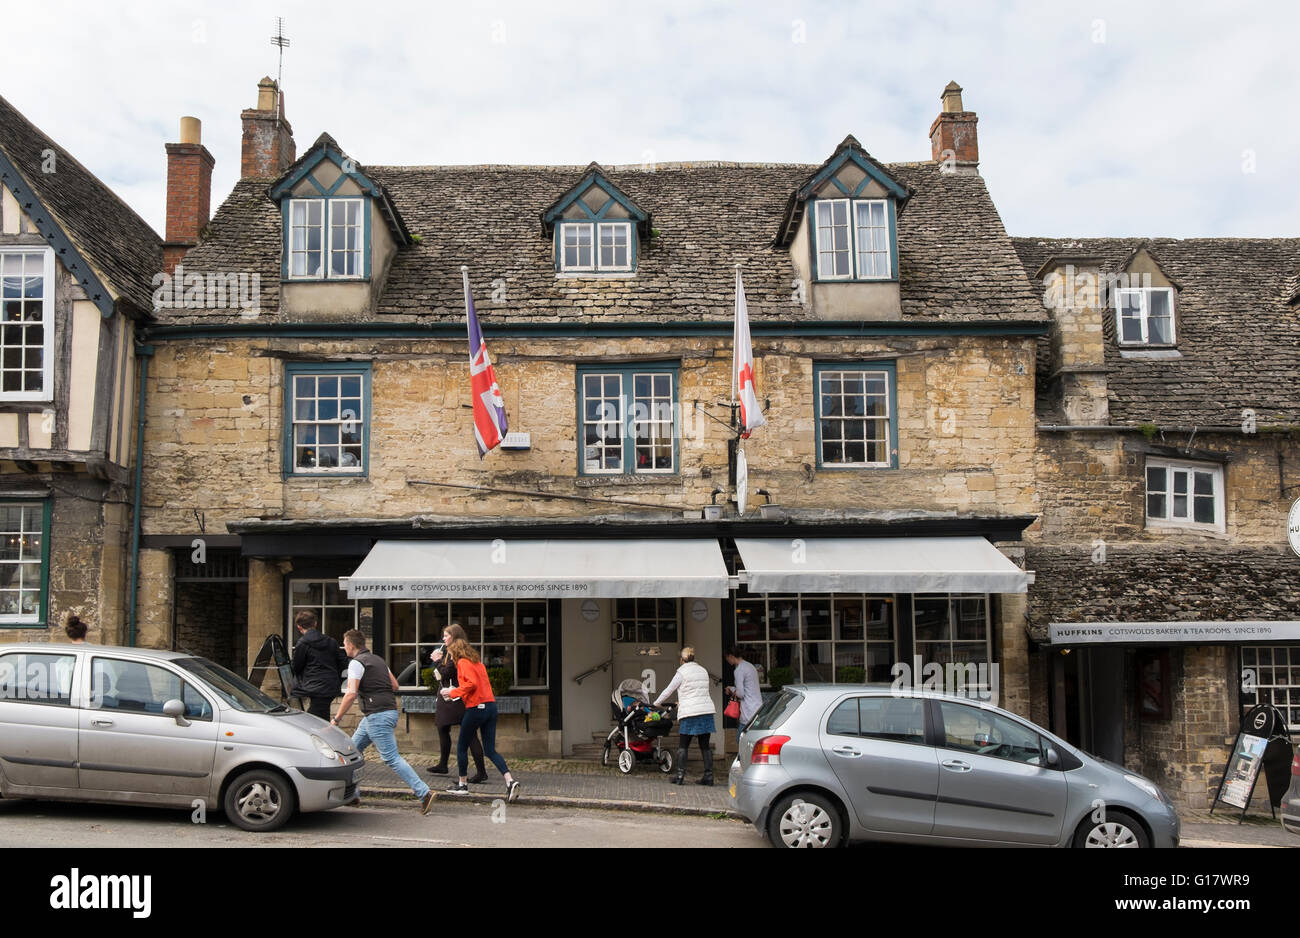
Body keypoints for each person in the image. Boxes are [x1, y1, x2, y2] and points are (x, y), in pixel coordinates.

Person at [332, 629, 434, 814]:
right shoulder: (378, 660)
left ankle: (424, 793)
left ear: (352, 645)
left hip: (377, 715)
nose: (344, 646)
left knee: (391, 758)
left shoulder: (356, 663)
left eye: (345, 643)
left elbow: (351, 693)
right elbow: (395, 685)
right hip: (384, 712)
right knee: (353, 752)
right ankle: (353, 795)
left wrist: (336, 719)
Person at [439, 638, 520, 802]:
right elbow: (476, 684)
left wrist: (452, 693)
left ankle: (462, 785)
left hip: (477, 708)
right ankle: (510, 782)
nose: (451, 658)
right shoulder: (478, 663)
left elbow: (472, 684)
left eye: (451, 654)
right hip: (491, 707)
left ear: (456, 652)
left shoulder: (462, 662)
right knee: (490, 750)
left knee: (462, 746)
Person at [428, 624, 487, 782]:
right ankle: (443, 764)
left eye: (446, 636)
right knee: (442, 726)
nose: (443, 638)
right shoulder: (452, 652)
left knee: (468, 733)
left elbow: (447, 672)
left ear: (454, 637)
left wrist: (437, 661)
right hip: (449, 696)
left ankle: (480, 771)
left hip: (455, 697)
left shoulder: (458, 654)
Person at [654, 647, 716, 786]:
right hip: (706, 710)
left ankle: (680, 776)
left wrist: (656, 703)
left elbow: (668, 690)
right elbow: (698, 691)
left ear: (682, 660)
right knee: (705, 746)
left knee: (683, 745)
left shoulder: (681, 672)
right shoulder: (703, 670)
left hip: (690, 712)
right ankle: (709, 776)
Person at [290, 610, 348, 721]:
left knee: (313, 721)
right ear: (315, 623)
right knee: (321, 717)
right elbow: (343, 663)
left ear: (298, 627)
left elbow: (296, 667)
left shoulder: (302, 643)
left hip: (313, 687)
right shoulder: (331, 641)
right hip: (330, 686)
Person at [725, 645, 761, 740]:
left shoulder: (739, 670)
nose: (727, 661)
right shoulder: (750, 666)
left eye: (727, 658)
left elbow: (741, 693)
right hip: (757, 706)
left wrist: (731, 689)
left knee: (739, 740)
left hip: (748, 710)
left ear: (731, 656)